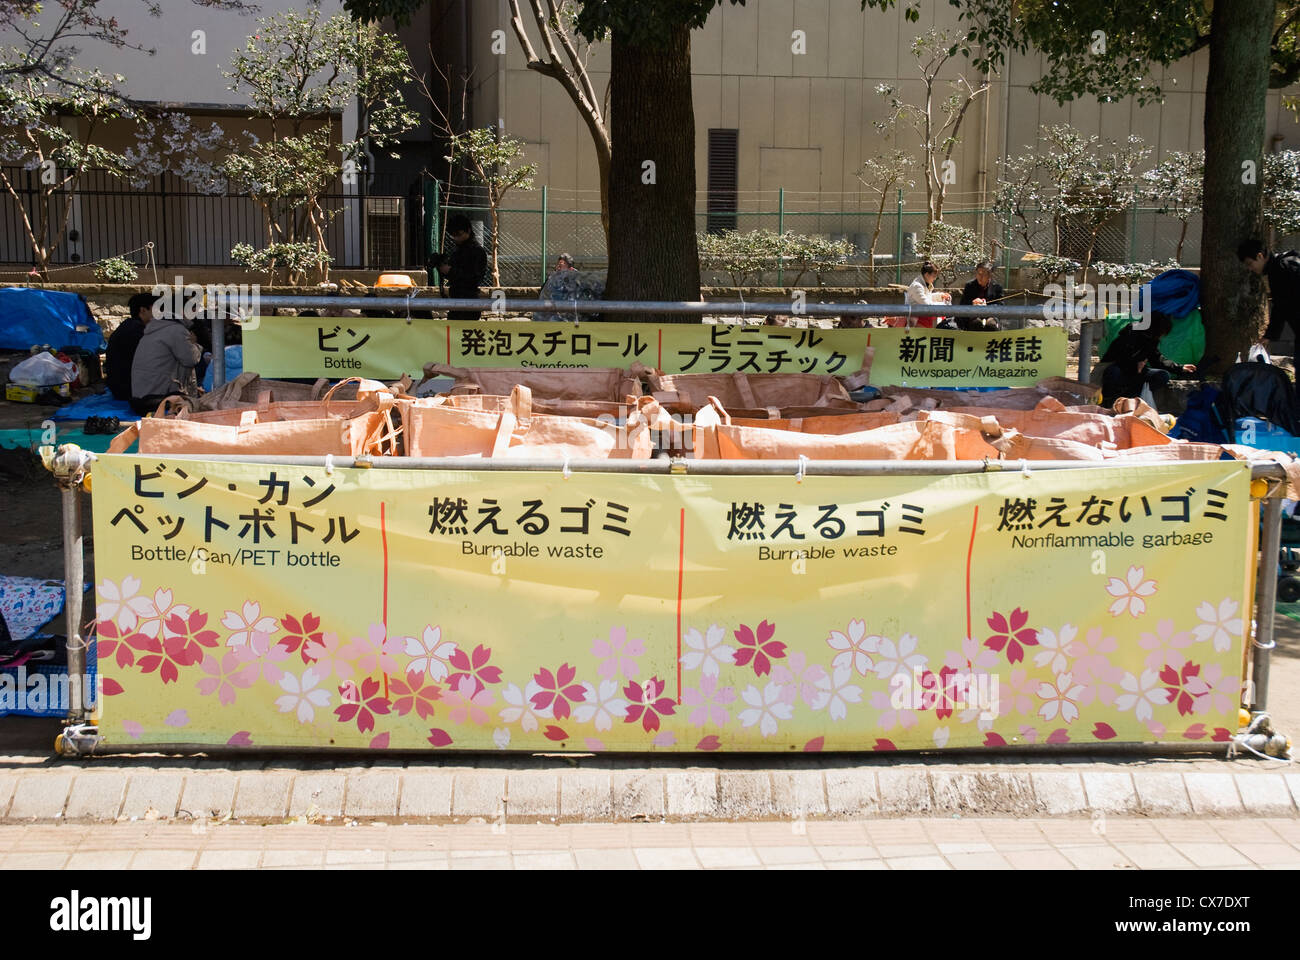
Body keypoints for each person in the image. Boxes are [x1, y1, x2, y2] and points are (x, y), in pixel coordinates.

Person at [1099, 312, 1197, 408]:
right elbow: (1119, 358)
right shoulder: (1130, 335)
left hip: (1136, 371)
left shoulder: (1151, 339)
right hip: (1118, 369)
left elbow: (1157, 360)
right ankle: (1110, 401)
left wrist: (1180, 368)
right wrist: (1135, 366)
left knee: (1162, 375)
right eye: (1161, 333)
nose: (1162, 336)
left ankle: (1130, 399)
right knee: (1114, 371)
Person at [130, 303, 203, 415]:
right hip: (158, 401)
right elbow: (191, 359)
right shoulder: (176, 330)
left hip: (139, 399)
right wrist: (196, 344)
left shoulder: (154, 328)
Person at [1239, 238, 1300, 353]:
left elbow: (1281, 306)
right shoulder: (1288, 261)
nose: (1250, 269)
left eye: (1250, 264)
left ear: (1260, 256)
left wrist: (1269, 335)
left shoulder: (1279, 270)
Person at [104, 292, 155, 402]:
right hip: (127, 389)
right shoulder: (136, 332)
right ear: (143, 310)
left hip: (120, 387)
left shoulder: (130, 326)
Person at [437, 214, 488, 322]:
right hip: (456, 300)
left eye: (459, 234)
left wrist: (451, 271)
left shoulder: (477, 251)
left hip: (469, 301)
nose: (456, 238)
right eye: (453, 235)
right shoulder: (457, 250)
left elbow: (474, 278)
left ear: (468, 231)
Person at [958, 261, 1003, 331]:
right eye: (978, 273)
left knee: (991, 325)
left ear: (989, 275)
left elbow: (1000, 305)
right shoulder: (969, 286)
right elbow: (963, 304)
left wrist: (986, 306)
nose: (980, 277)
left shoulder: (997, 287)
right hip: (973, 315)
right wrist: (973, 303)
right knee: (976, 323)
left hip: (990, 315)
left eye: (983, 274)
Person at [905, 262, 950, 328]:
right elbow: (927, 304)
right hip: (916, 319)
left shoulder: (923, 284)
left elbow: (927, 297)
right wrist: (943, 305)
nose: (934, 279)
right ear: (926, 274)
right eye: (934, 276)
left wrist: (940, 296)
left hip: (920, 315)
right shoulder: (917, 286)